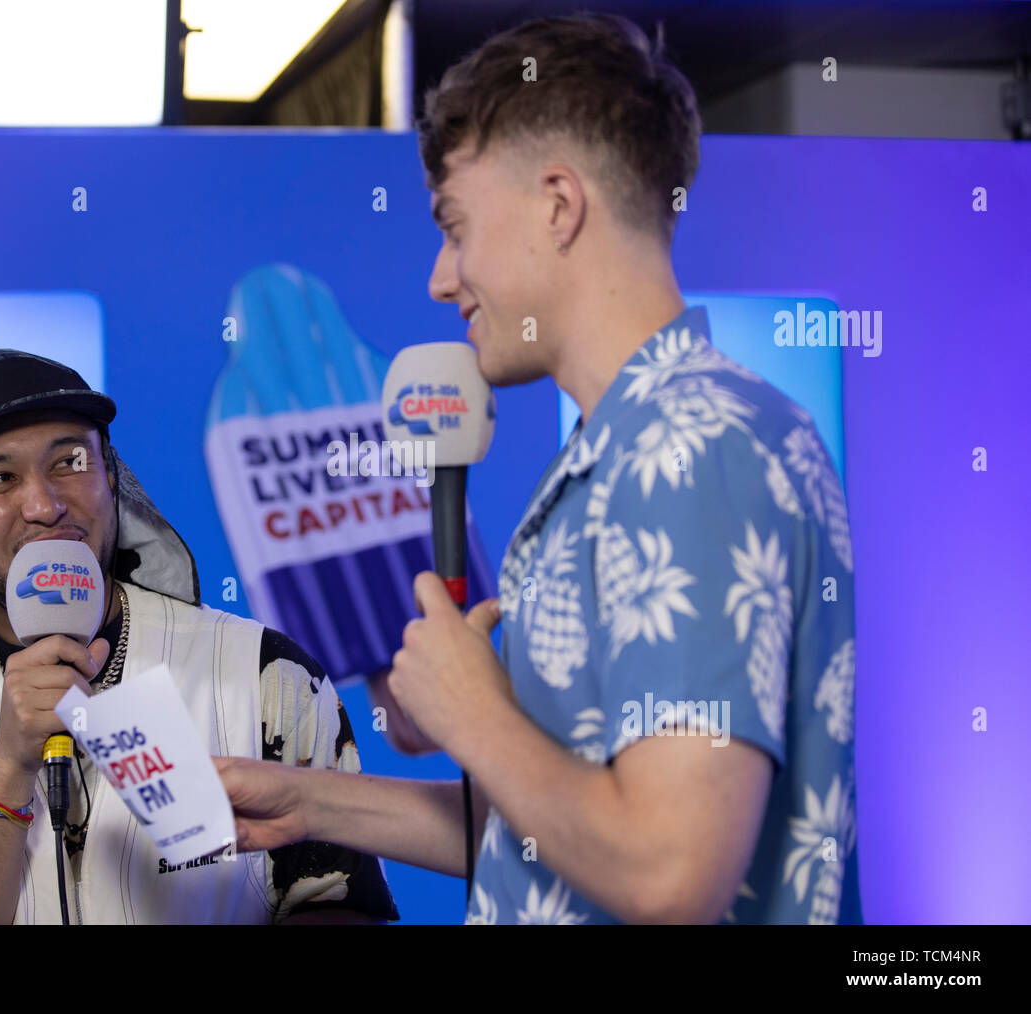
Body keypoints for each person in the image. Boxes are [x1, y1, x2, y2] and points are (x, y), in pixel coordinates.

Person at [217, 12, 860, 925]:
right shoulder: (622, 453)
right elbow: (547, 850)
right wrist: (310, 804)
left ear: (559, 205)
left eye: (455, 225)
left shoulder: (694, 447)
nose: (443, 276)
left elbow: (668, 873)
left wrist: (472, 709)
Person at [0, 349, 398, 925]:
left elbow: (341, 904)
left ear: (111, 475)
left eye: (71, 461)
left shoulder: (263, 669)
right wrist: (7, 768)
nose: (45, 506)